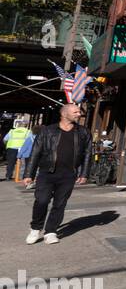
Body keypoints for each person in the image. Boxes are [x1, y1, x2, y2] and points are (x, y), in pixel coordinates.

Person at [24, 104, 90, 245]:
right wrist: (28, 174)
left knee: (60, 204)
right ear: (64, 114)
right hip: (47, 173)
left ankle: (50, 231)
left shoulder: (83, 132)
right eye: (75, 112)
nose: (79, 114)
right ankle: (35, 228)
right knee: (42, 200)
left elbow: (87, 154)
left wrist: (84, 173)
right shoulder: (47, 131)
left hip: (68, 174)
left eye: (79, 111)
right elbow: (35, 152)